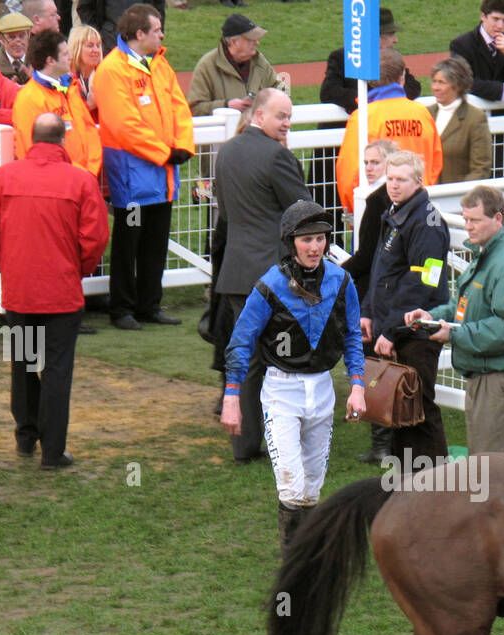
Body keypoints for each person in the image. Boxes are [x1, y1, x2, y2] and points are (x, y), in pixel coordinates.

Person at [220, 201, 367, 552]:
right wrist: (231, 395)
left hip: (322, 389)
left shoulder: (341, 280)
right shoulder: (268, 287)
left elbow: (351, 337)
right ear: (291, 243)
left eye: (320, 239)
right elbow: (240, 342)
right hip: (281, 392)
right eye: (307, 241)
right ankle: (293, 562)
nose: (315, 247)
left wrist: (358, 385)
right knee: (292, 485)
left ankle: (307, 557)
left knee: (313, 486)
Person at [0, 113, 109, 470]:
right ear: (62, 140)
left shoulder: (4, 177)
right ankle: (53, 451)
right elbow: (95, 237)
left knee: (23, 363)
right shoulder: (80, 181)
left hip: (21, 290)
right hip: (61, 292)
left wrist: (8, 266)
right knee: (56, 369)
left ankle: (26, 436)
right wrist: (77, 269)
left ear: (31, 138)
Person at [213, 88, 312, 465]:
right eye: (280, 116)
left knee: (248, 357)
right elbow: (302, 211)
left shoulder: (227, 151)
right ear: (259, 116)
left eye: (289, 117)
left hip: (238, 272)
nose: (286, 123)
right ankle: (282, 440)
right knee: (284, 359)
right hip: (275, 274)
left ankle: (245, 443)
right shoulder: (277, 156)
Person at [408, 184, 504, 456]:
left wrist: (455, 335)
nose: (468, 227)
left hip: (502, 378)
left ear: (498, 219)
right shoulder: (486, 256)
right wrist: (434, 316)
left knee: (496, 467)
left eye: (475, 220)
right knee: (483, 459)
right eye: (466, 219)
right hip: (487, 373)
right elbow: (464, 308)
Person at [96, 3, 194, 331]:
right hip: (132, 176)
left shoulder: (160, 64)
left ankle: (149, 304)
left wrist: (182, 145)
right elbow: (124, 125)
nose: (162, 34)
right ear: (139, 34)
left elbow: (180, 106)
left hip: (161, 173)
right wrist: (166, 152)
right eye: (157, 30)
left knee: (155, 241)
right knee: (129, 242)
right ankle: (122, 307)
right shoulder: (113, 70)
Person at [367, 151, 452, 468]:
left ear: (419, 181)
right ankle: (410, 478)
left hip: (416, 332)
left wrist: (390, 329)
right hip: (393, 325)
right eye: (390, 178)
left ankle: (439, 476)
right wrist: (368, 313)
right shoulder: (395, 212)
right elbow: (381, 271)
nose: (393, 185)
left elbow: (423, 285)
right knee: (400, 408)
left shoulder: (427, 223)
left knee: (420, 407)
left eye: (401, 179)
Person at [343, 139, 400, 465]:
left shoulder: (380, 201)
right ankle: (383, 442)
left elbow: (366, 257)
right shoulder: (381, 199)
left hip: (373, 294)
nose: (368, 167)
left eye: (375, 162)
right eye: (366, 162)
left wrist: (337, 273)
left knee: (375, 365)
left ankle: (382, 444)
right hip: (379, 291)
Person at [336, 48, 443, 215]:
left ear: (371, 80)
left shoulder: (363, 117)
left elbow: (349, 172)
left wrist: (354, 212)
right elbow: (435, 164)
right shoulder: (422, 113)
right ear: (402, 77)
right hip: (419, 205)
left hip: (377, 210)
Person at [13, 31, 102, 178]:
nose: (71, 57)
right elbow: (34, 151)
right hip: (55, 182)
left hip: (83, 178)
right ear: (50, 61)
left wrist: (91, 170)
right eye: (66, 54)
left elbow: (89, 129)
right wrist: (80, 174)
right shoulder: (29, 99)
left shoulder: (70, 88)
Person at [320, 7, 421, 113]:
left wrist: (377, 99)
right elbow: (329, 93)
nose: (396, 40)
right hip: (345, 127)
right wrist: (374, 99)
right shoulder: (342, 57)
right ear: (375, 37)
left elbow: (413, 87)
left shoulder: (393, 58)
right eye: (391, 34)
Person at [186, 13, 279, 120]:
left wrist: (262, 102)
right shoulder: (207, 65)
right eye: (251, 39)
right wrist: (226, 105)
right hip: (222, 135)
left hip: (257, 133)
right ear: (234, 42)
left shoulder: (260, 62)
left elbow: (280, 92)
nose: (257, 43)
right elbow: (194, 108)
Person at [450, 0, 504, 109]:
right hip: (473, 117)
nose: (500, 26)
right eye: (495, 19)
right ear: (483, 16)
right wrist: (503, 89)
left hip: (502, 119)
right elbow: (463, 82)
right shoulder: (462, 44)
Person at [429, 56, 492, 184]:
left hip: (457, 198)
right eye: (434, 81)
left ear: (457, 86)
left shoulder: (475, 118)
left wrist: (458, 195)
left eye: (442, 82)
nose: (435, 87)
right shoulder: (426, 114)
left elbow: (481, 168)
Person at [78, 0, 166, 54]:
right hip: (109, 41)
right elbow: (85, 8)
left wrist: (156, 33)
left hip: (143, 43)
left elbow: (158, 6)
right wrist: (97, 36)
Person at [68, 25, 103, 116]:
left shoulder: (105, 74)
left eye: (98, 45)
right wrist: (89, 105)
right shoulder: (65, 80)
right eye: (90, 46)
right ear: (76, 49)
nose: (96, 50)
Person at [0, 12, 35, 85]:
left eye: (22, 36)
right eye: (12, 37)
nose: (18, 42)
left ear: (29, 35)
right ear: (0, 39)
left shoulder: (41, 58)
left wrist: (38, 83)